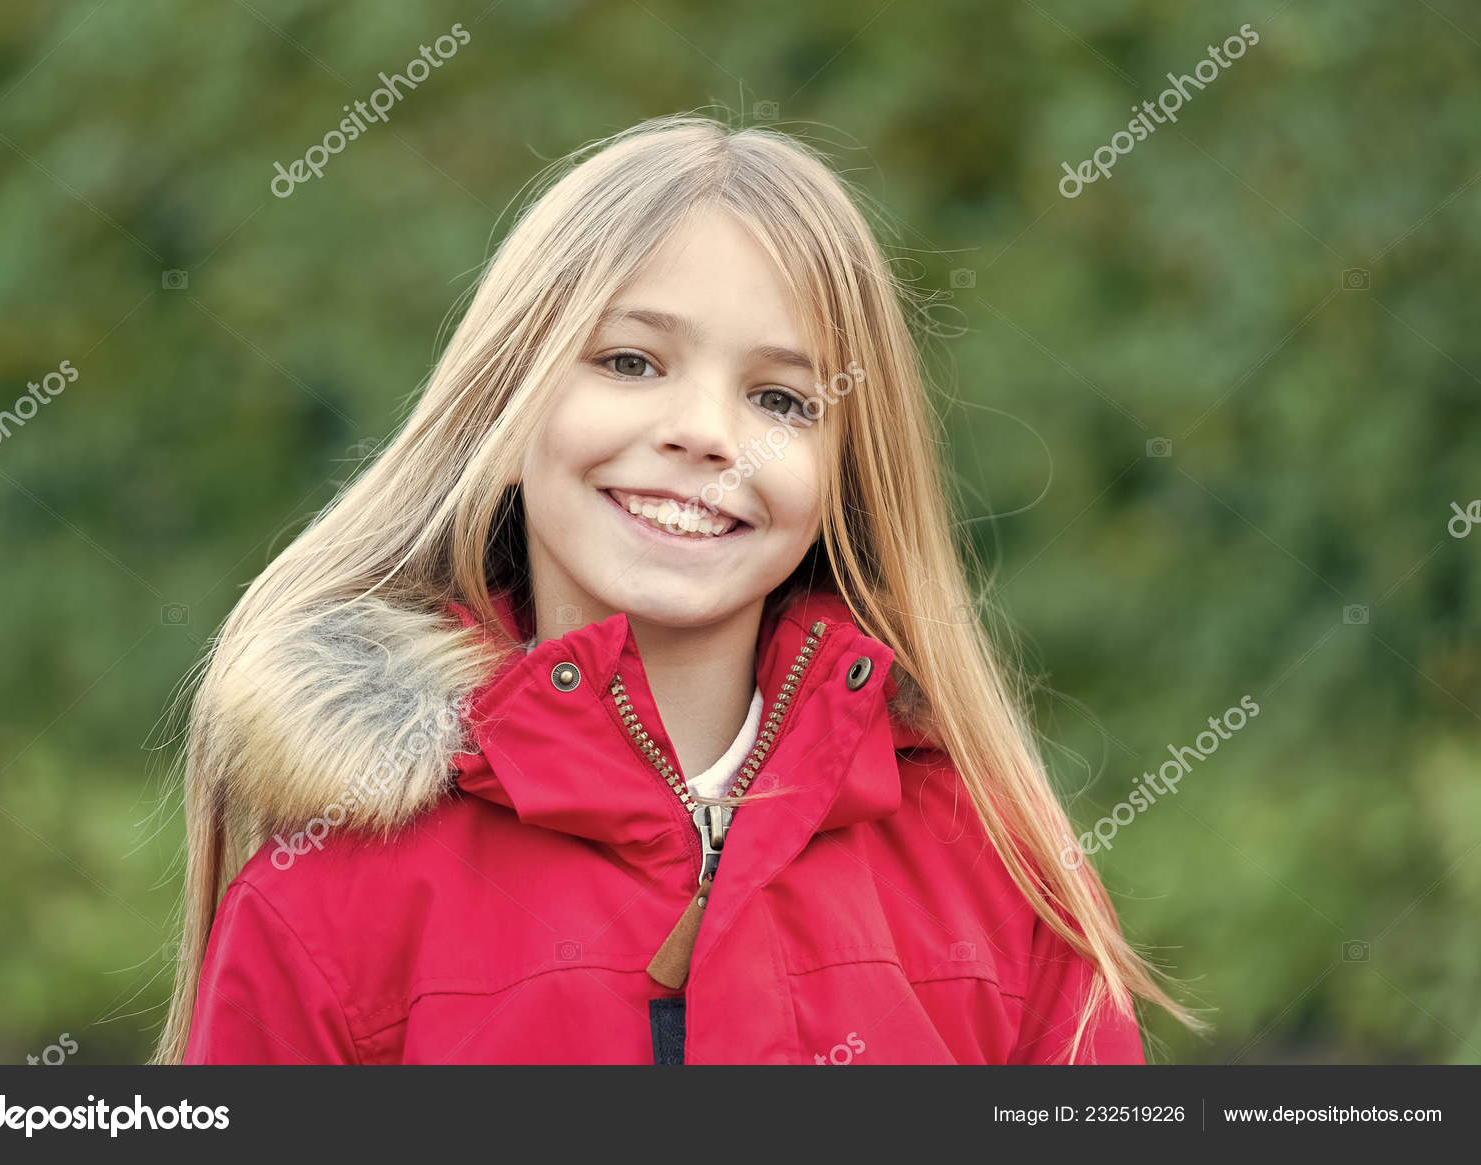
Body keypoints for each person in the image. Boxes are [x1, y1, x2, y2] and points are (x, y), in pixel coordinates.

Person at [154, 113, 1199, 1064]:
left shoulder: (1001, 874)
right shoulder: (330, 893)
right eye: (630, 362)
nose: (704, 432)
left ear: (844, 476)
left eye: (781, 398)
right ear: (504, 417)